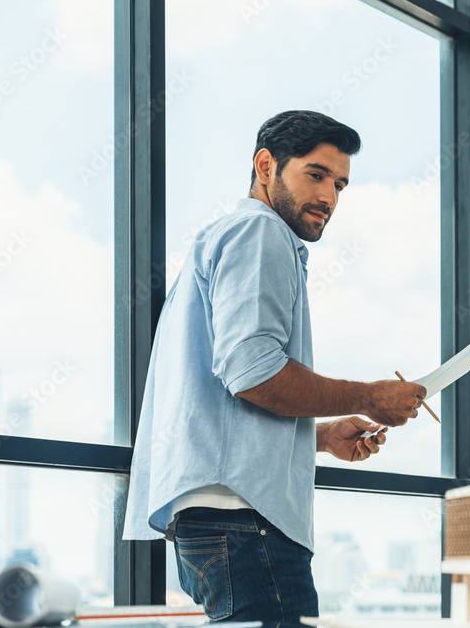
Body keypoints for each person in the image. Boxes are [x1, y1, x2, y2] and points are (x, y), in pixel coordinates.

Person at [122, 110, 426, 623]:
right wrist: (371, 397)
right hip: (244, 525)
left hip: (218, 521)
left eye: (340, 184)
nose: (329, 197)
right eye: (315, 174)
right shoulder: (259, 233)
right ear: (266, 166)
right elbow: (254, 372)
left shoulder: (224, 237)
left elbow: (220, 403)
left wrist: (321, 437)